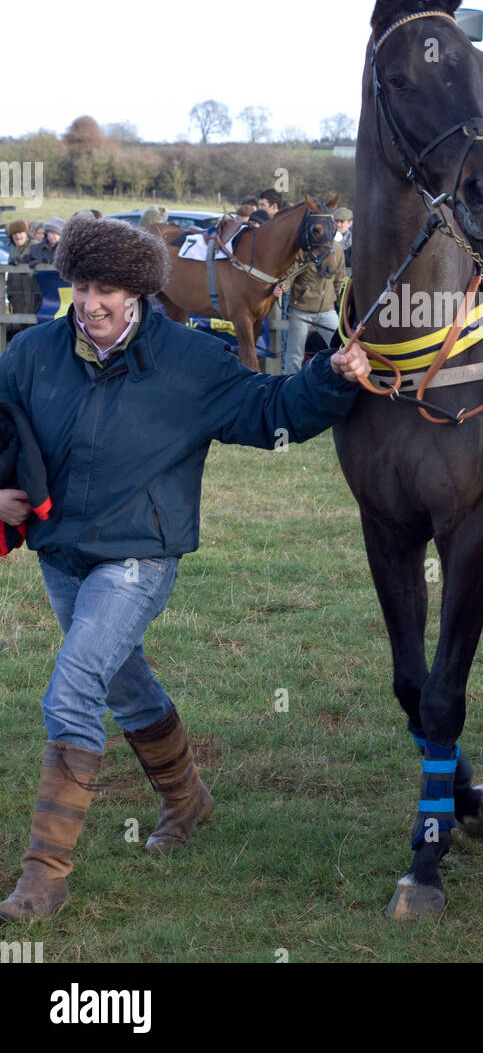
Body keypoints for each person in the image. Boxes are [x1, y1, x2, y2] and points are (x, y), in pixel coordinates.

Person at [0, 215, 370, 923]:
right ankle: (187, 799)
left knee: (73, 688)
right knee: (123, 683)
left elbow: (269, 413)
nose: (91, 302)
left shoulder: (191, 362)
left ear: (138, 289)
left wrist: (330, 375)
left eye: (106, 288)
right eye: (80, 286)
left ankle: (43, 877)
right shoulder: (32, 354)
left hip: (140, 553)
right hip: (62, 552)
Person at [281, 236, 346, 377]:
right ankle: (289, 386)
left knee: (341, 348)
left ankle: (340, 383)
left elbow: (340, 279)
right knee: (294, 355)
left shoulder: (338, 249)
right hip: (301, 310)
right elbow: (290, 274)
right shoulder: (304, 248)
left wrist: (345, 307)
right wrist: (283, 286)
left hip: (327, 310)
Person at [4, 220, 43, 340]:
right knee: (20, 330)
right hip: (18, 298)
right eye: (14, 233)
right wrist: (10, 293)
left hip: (33, 296)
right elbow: (10, 276)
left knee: (34, 329)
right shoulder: (14, 250)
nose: (17, 235)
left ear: (26, 233)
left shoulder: (35, 246)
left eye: (20, 232)